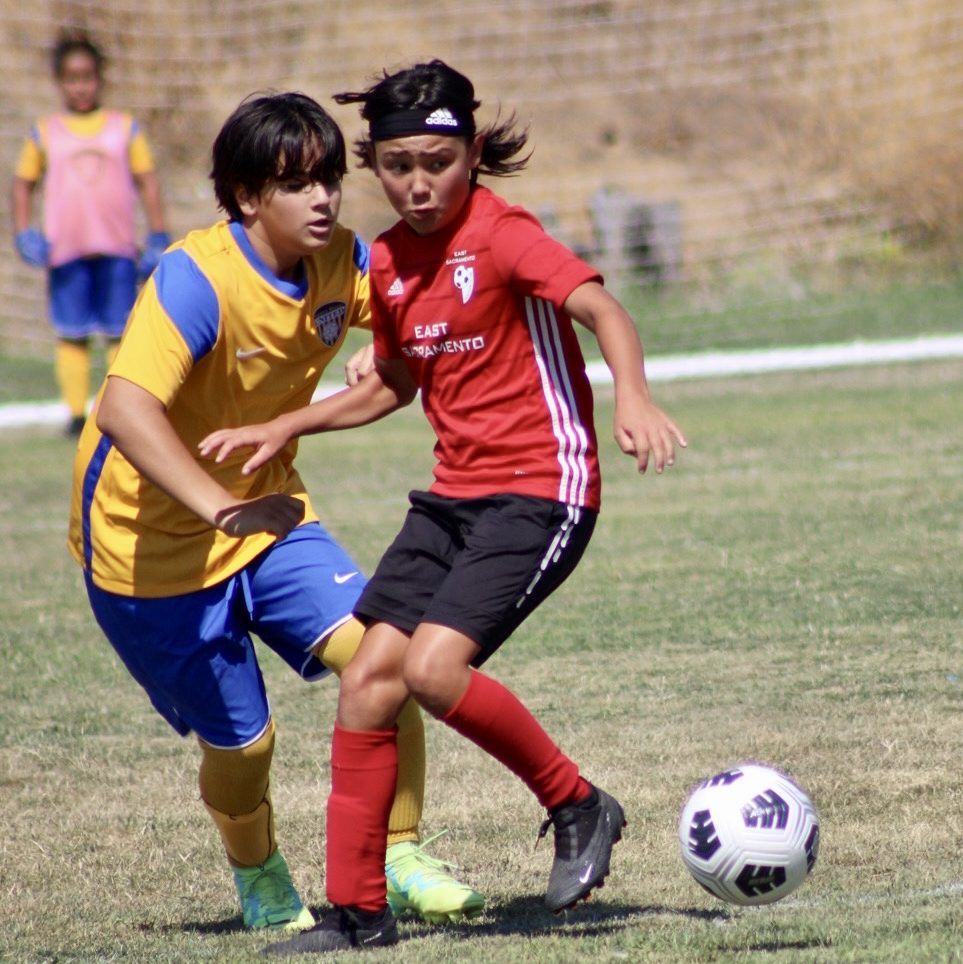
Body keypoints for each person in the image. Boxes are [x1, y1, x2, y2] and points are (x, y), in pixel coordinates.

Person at [200, 60, 687, 954]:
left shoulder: (504, 236)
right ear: (374, 166)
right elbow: (391, 381)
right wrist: (289, 423)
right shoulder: (383, 261)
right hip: (451, 500)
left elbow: (600, 308)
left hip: (541, 491)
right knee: (368, 680)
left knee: (428, 671)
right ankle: (357, 916)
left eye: (437, 160)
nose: (417, 183)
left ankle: (579, 805)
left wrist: (634, 396)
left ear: (472, 154)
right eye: (395, 165)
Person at [67, 90, 483, 934]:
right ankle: (258, 874)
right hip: (145, 549)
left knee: (381, 662)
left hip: (268, 520)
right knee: (244, 746)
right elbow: (124, 411)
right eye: (298, 184)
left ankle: (397, 856)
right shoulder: (196, 279)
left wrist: (392, 340)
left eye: (329, 178)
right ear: (249, 198)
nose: (323, 198)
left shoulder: (342, 262)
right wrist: (219, 508)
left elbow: (420, 312)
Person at [10, 31, 171, 437]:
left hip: (117, 250)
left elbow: (148, 182)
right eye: (72, 78)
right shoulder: (45, 133)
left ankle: (121, 407)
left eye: (88, 76)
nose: (81, 86)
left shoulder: (124, 129)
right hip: (66, 252)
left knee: (120, 332)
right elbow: (22, 184)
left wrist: (157, 233)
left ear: (100, 78)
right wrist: (24, 231)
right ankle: (76, 415)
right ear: (59, 81)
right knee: (72, 333)